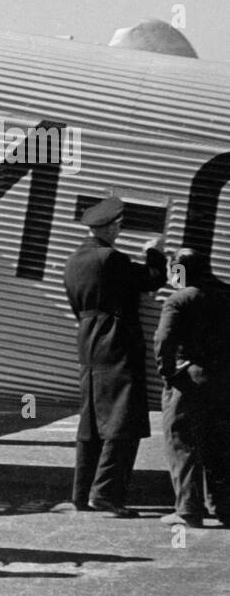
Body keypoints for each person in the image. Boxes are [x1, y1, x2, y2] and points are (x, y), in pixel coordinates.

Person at [61, 197, 165, 517]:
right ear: (108, 227)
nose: (119, 230)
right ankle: (106, 493)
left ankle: (81, 493)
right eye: (117, 226)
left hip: (88, 339)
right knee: (125, 418)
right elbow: (152, 278)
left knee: (91, 421)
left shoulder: (73, 261)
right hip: (116, 340)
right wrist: (155, 250)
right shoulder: (111, 259)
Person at [154, 248, 230, 527]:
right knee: (220, 444)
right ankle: (223, 507)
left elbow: (164, 341)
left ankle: (187, 509)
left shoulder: (180, 299)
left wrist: (168, 373)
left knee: (183, 441)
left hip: (191, 380)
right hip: (224, 379)